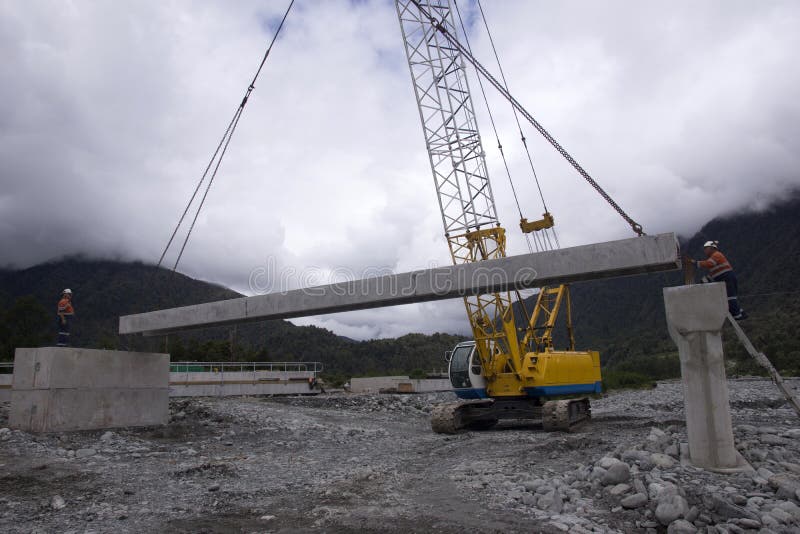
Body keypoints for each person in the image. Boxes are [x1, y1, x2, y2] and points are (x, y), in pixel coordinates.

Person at [692, 241, 747, 320]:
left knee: (730, 298)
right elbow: (715, 273)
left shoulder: (716, 255)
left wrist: (696, 263)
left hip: (727, 278)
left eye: (706, 248)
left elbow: (710, 264)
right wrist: (706, 279)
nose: (705, 251)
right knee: (731, 297)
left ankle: (738, 316)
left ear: (712, 248)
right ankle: (741, 313)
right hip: (726, 278)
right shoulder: (714, 257)